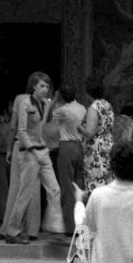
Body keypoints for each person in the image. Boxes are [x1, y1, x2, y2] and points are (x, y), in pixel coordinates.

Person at [0, 71, 63, 243]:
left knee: (55, 189)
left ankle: (54, 227)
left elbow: (46, 123)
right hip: (29, 150)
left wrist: (53, 103)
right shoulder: (24, 101)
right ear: (34, 86)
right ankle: (12, 231)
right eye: (42, 86)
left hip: (43, 150)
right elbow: (20, 130)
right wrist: (28, 149)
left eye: (47, 86)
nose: (45, 89)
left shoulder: (46, 103)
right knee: (25, 193)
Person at [52, 85, 87, 224]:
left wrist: (54, 100)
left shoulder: (62, 110)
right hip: (80, 146)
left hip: (66, 146)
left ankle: (69, 225)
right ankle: (81, 222)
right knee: (79, 185)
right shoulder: (83, 108)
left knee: (66, 186)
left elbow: (47, 117)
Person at [82, 80, 115, 193]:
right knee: (108, 181)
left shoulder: (94, 108)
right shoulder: (107, 105)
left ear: (87, 93)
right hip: (108, 144)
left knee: (97, 183)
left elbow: (90, 133)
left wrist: (80, 129)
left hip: (96, 150)